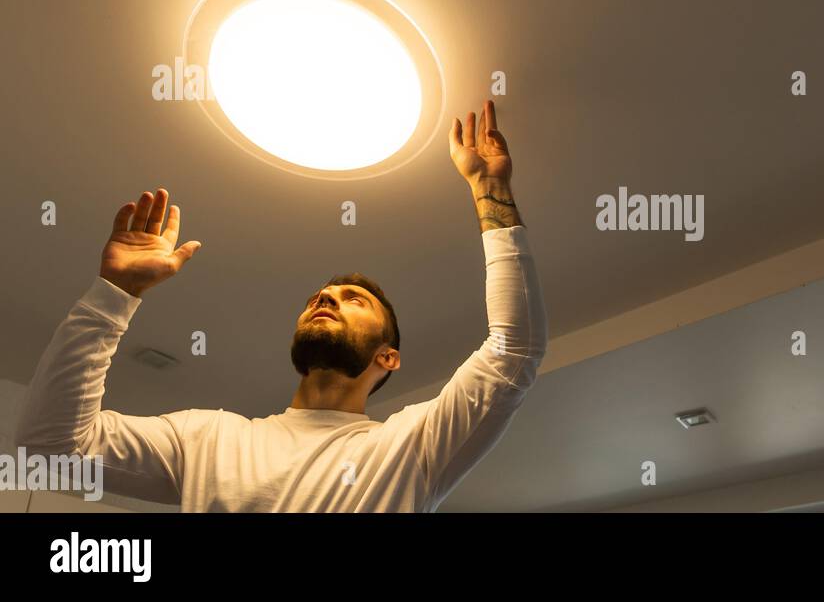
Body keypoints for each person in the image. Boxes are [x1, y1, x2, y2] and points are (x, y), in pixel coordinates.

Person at [16, 100, 546, 512]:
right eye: (320, 296)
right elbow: (51, 448)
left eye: (352, 300)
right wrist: (115, 293)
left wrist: (487, 186)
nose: (326, 299)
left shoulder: (413, 448)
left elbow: (513, 352)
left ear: (389, 357)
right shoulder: (209, 438)